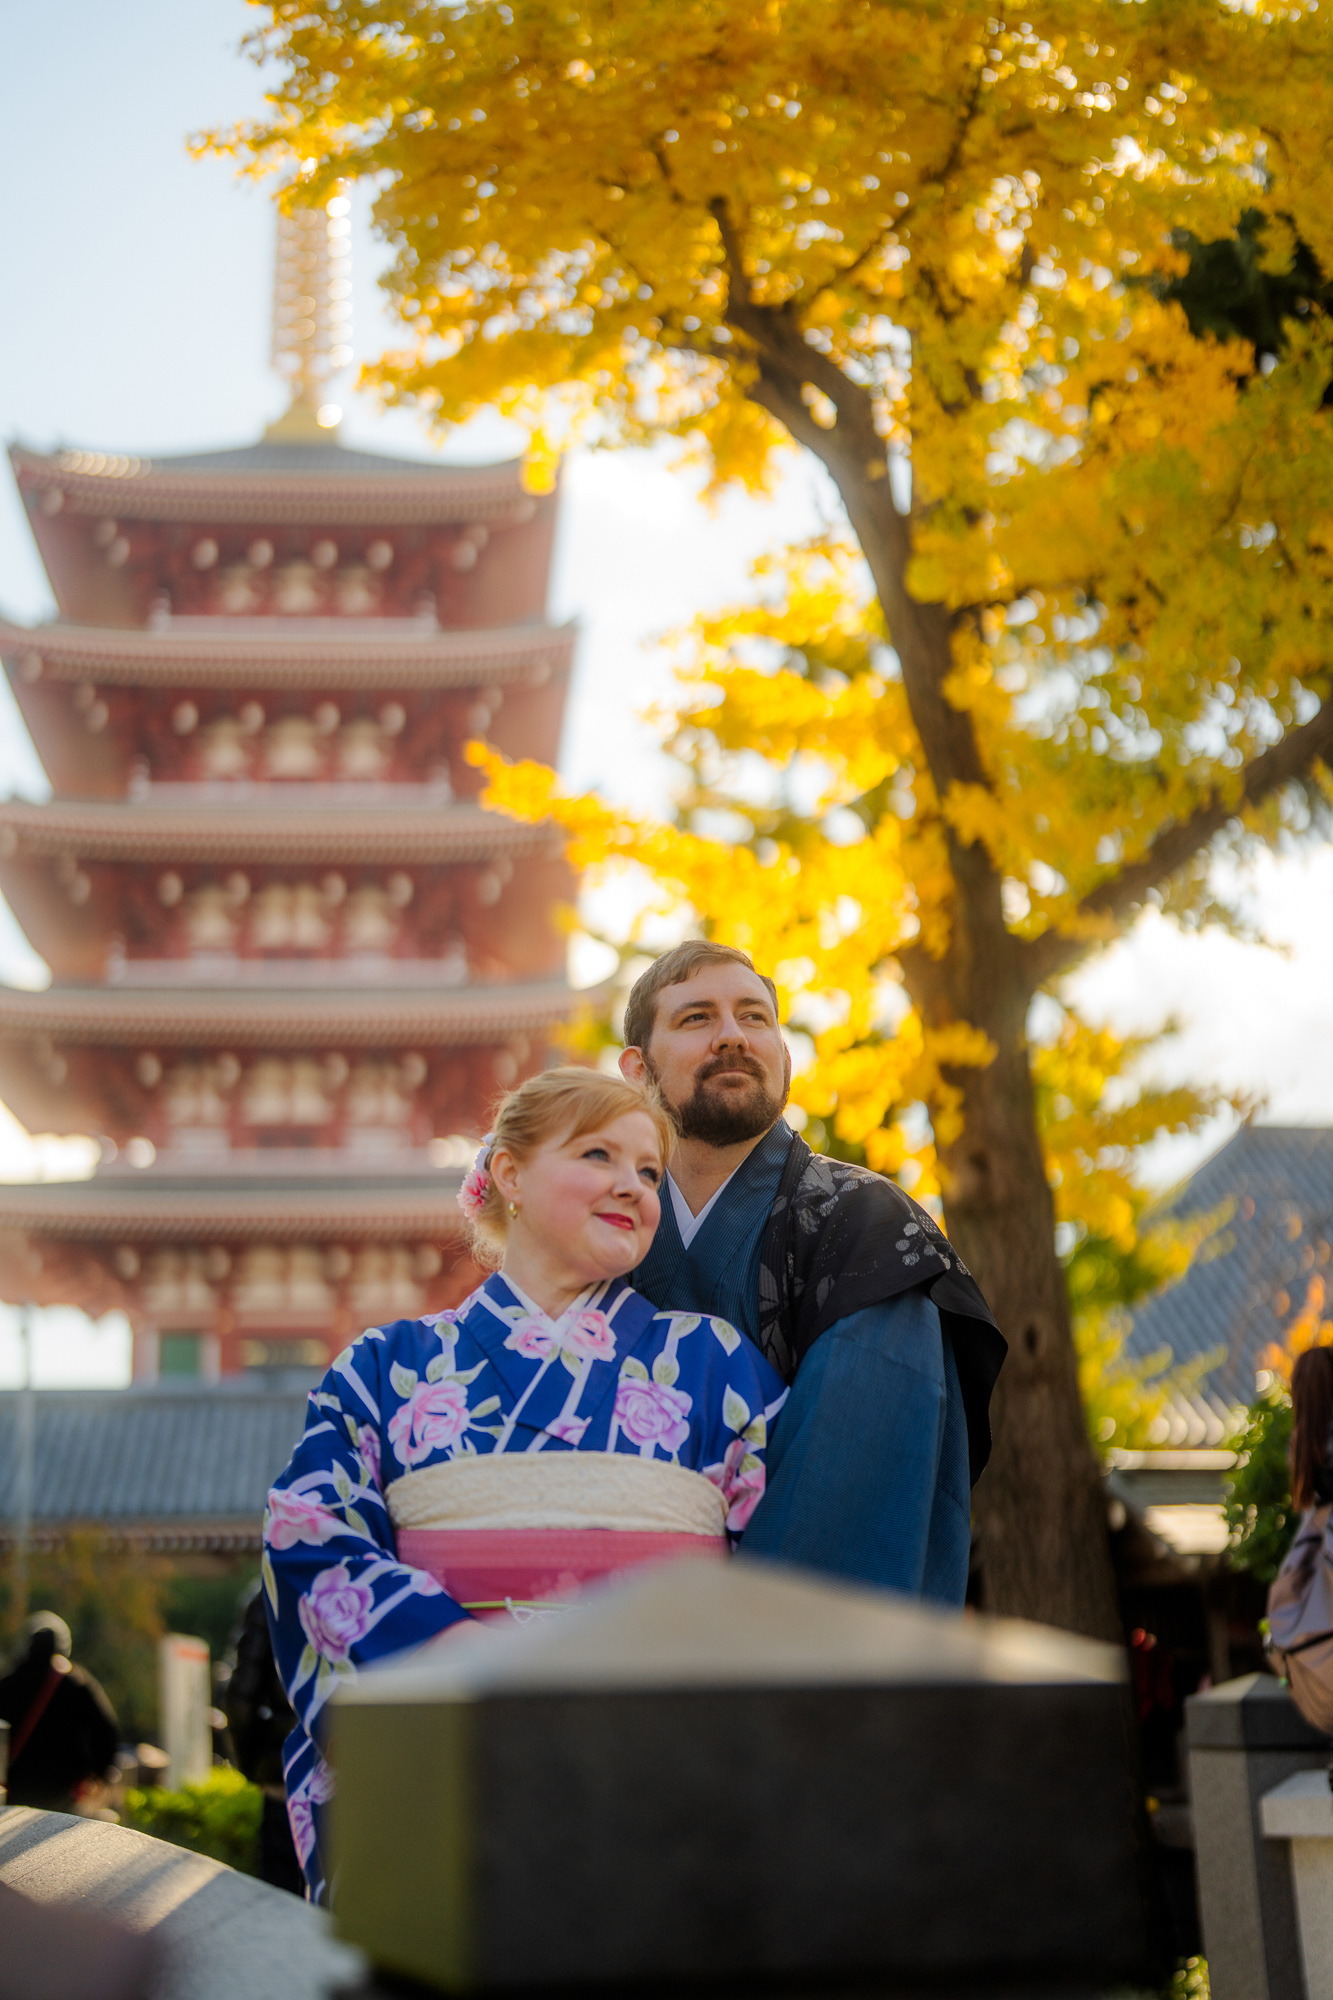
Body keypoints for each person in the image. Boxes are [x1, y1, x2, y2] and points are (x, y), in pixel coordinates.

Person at [264, 1067, 787, 1901]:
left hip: (656, 1770)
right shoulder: (383, 1367)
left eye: (650, 1172)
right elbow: (306, 1532)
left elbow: (781, 1569)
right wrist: (461, 1652)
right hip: (450, 1754)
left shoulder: (713, 1363)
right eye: (599, 1154)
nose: (633, 1185)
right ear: (508, 1173)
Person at [620, 940, 1006, 1606]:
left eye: (754, 1017)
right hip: (598, 1645)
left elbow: (854, 1480)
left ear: (784, 1057)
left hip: (781, 1657)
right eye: (696, 1019)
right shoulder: (604, 1234)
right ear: (636, 1067)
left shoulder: (862, 1229)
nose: (733, 1037)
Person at [0, 1611, 119, 1813]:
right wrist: (98, 1771)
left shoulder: (9, 1682)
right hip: (64, 1788)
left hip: (18, 1786)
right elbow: (106, 1731)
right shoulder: (78, 1683)